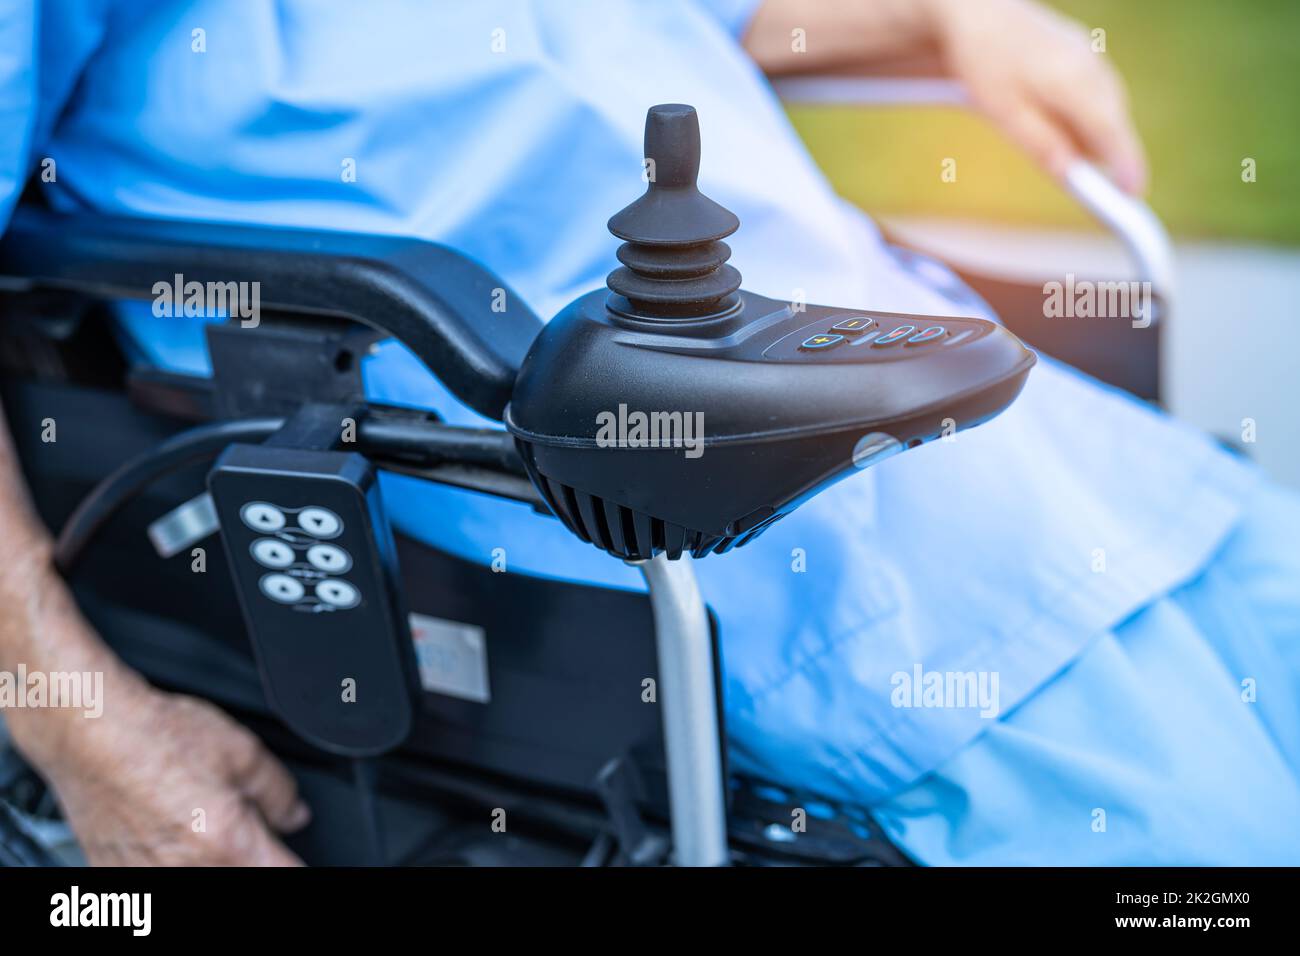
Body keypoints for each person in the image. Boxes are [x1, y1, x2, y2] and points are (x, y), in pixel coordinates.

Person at [1, 0, 1297, 865]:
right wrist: (83, 728)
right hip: (657, 497)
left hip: (947, 394)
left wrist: (944, 14)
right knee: (1210, 840)